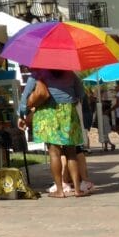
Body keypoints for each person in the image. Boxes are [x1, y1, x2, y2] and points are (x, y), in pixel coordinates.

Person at [18, 66, 88, 197]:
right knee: (71, 153)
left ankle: (60, 190)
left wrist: (22, 115)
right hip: (69, 113)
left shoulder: (38, 74)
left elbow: (25, 96)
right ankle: (77, 190)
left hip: (47, 114)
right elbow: (81, 94)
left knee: (54, 153)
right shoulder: (70, 73)